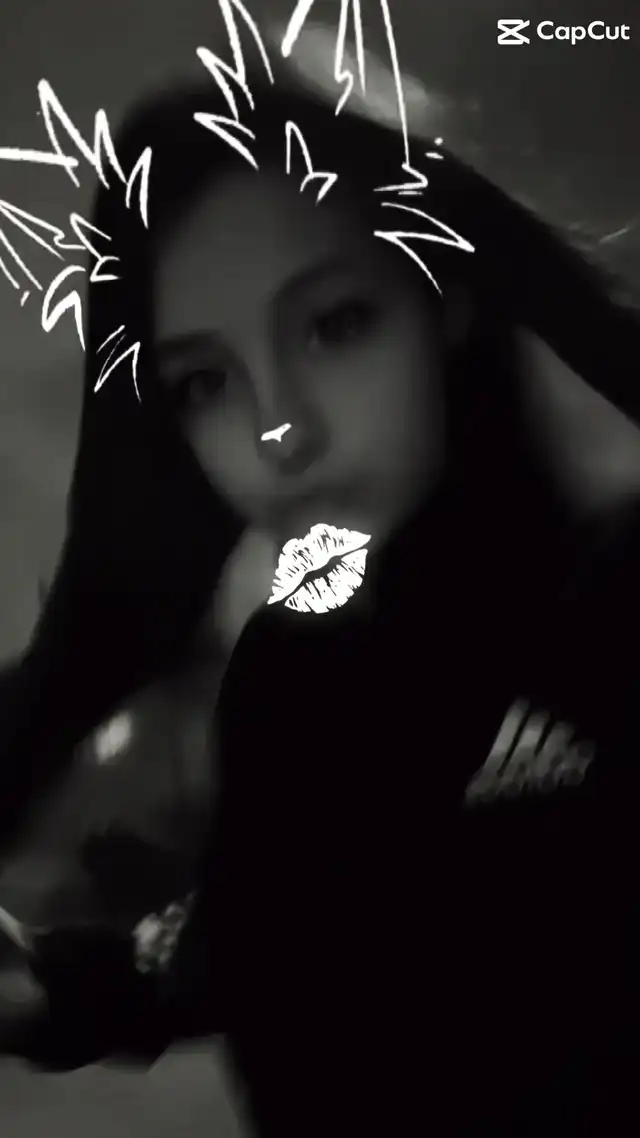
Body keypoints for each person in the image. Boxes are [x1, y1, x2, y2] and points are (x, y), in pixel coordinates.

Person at [0, 29, 639, 1136]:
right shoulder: (291, 665)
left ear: (444, 295)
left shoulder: (617, 603)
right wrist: (65, 991)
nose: (278, 431)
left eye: (334, 324)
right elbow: (260, 943)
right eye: (205, 380)